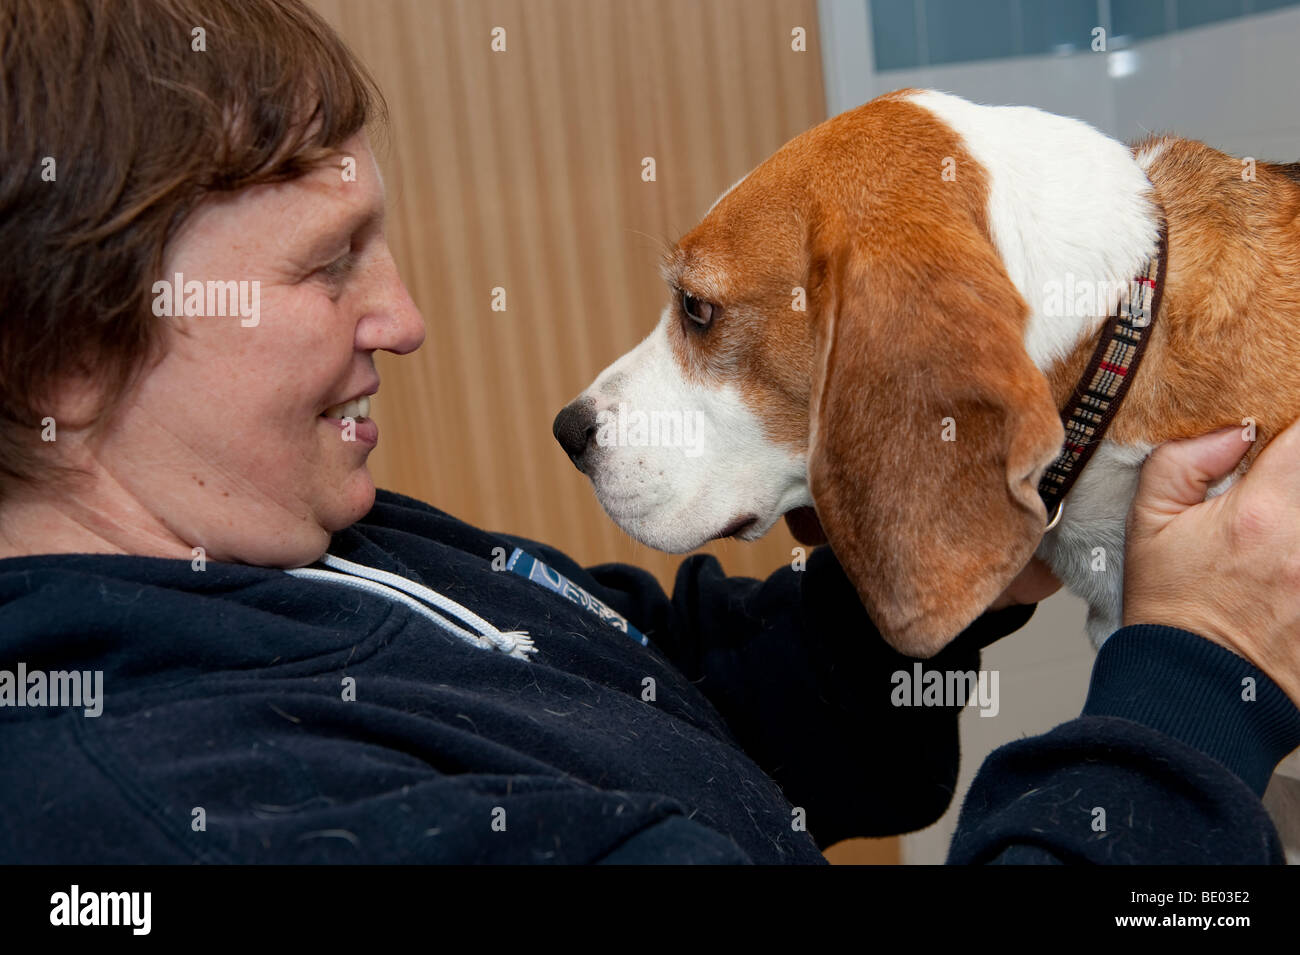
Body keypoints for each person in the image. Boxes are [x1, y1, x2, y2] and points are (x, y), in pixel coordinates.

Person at [0, 0, 1296, 865]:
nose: (404, 319)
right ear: (66, 350)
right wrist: (1202, 677)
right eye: (327, 268)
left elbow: (689, 702)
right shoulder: (156, 813)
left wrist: (938, 517)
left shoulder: (307, 541)